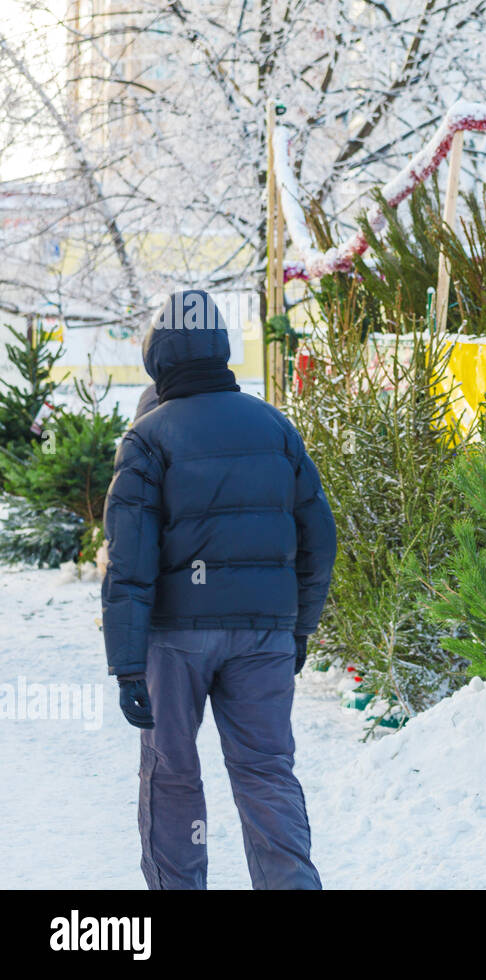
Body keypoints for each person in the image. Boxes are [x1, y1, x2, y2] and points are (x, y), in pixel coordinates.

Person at [101, 289, 336, 890]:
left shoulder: (147, 439)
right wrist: (299, 626)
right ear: (223, 349)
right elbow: (320, 536)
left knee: (171, 774)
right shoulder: (275, 427)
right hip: (263, 637)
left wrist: (128, 667)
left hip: (175, 641)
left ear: (157, 359)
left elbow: (129, 563)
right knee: (266, 774)